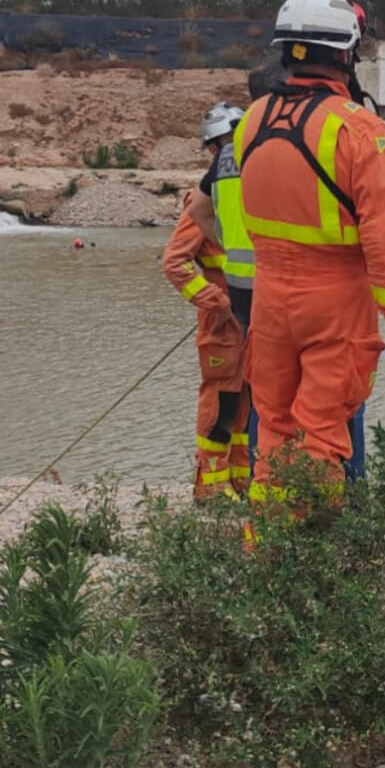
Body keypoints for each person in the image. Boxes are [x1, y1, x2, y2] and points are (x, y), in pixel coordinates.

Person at [234, 0, 385, 499]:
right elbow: (383, 244)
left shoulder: (249, 123)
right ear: (346, 52)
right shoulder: (360, 131)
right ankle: (316, 556)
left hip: (269, 300)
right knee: (321, 434)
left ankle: (270, 549)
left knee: (271, 427)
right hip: (335, 305)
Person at [162, 102, 251, 499]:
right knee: (220, 400)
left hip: (250, 315)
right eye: (221, 148)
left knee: (243, 402)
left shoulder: (249, 191)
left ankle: (238, 480)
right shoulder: (204, 197)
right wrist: (214, 302)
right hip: (222, 322)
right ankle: (209, 489)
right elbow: (174, 263)